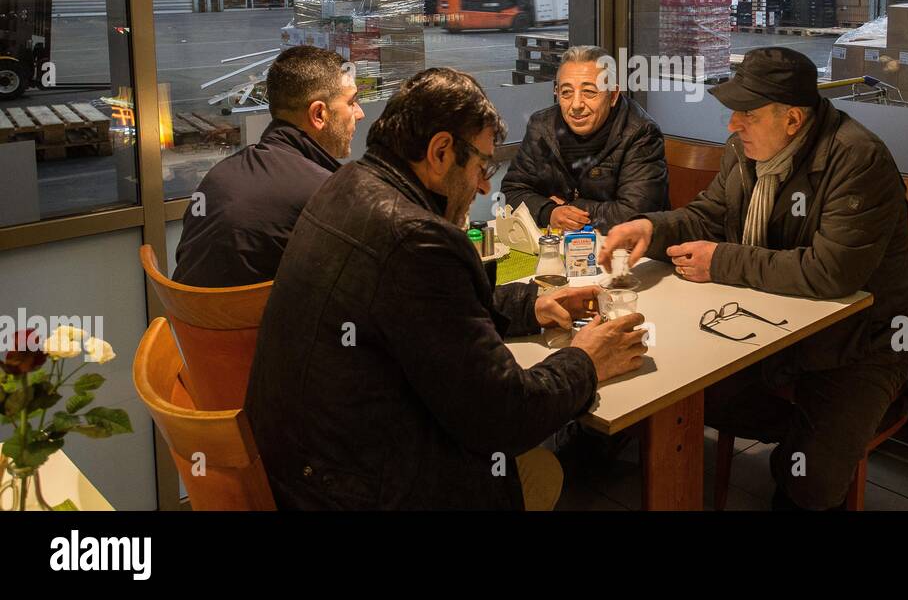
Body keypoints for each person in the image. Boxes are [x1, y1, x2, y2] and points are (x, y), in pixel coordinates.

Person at [245, 67, 648, 510]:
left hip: (303, 473)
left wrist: (529, 304)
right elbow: (504, 416)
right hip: (359, 491)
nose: (483, 186)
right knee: (536, 469)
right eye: (481, 165)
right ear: (440, 152)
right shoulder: (416, 238)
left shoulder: (347, 185)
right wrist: (586, 360)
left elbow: (424, 314)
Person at [601, 46, 908, 510]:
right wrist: (652, 227)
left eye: (746, 113)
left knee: (812, 482)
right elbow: (709, 215)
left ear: (792, 119)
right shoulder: (745, 150)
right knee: (662, 388)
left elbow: (832, 272)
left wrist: (722, 261)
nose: (732, 125)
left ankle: (804, 447)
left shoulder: (857, 159)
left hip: (859, 343)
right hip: (770, 325)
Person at [172, 45, 363, 289]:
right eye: (352, 102)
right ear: (319, 115)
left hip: (186, 321)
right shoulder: (324, 193)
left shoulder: (223, 173)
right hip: (252, 326)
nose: (359, 113)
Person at [501, 45, 669, 232]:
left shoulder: (641, 132)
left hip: (625, 250)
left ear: (612, 95)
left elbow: (635, 215)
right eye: (566, 92)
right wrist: (549, 212)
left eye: (589, 92)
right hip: (562, 242)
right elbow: (511, 192)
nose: (576, 105)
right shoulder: (542, 126)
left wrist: (570, 207)